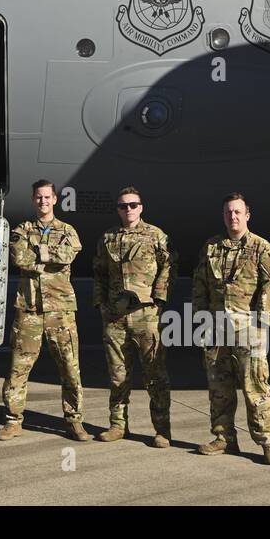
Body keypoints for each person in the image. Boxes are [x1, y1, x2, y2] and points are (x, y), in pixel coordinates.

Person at [192, 192, 270, 464]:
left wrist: (262, 319)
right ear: (223, 215)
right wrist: (200, 317)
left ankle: (268, 441)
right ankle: (224, 438)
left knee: (255, 386)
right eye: (228, 212)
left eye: (237, 212)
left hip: (248, 329)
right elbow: (200, 284)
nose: (233, 216)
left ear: (247, 215)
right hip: (216, 329)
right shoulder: (211, 247)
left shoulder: (261, 247)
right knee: (219, 387)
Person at [0, 179, 86, 441]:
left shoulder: (68, 230)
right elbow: (19, 258)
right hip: (29, 310)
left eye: (47, 197)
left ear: (55, 199)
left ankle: (74, 421)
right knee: (18, 368)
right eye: (38, 197)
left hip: (61, 310)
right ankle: (13, 420)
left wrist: (38, 253)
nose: (43, 202)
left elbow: (68, 255)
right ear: (33, 200)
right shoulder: (22, 229)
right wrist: (48, 256)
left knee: (70, 368)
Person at [92, 187, 173, 445]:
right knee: (118, 375)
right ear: (118, 209)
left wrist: (158, 300)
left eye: (133, 205)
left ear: (141, 207)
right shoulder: (107, 238)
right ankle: (118, 425)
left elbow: (169, 266)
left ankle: (162, 430)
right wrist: (101, 305)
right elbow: (99, 273)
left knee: (155, 375)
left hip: (145, 315)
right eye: (123, 206)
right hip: (115, 317)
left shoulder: (156, 235)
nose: (128, 209)